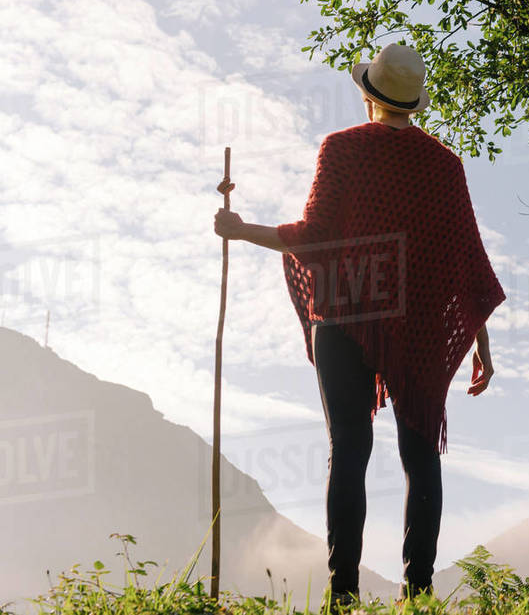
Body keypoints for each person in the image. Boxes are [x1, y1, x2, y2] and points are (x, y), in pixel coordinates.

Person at [213, 42, 506, 611]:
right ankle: (417, 596)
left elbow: (315, 234)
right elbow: (462, 268)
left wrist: (242, 229)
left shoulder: (340, 147)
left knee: (348, 447)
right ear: (413, 102)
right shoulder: (445, 166)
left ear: (370, 95)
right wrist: (479, 346)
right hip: (417, 329)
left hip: (345, 317)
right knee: (421, 455)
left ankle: (341, 598)